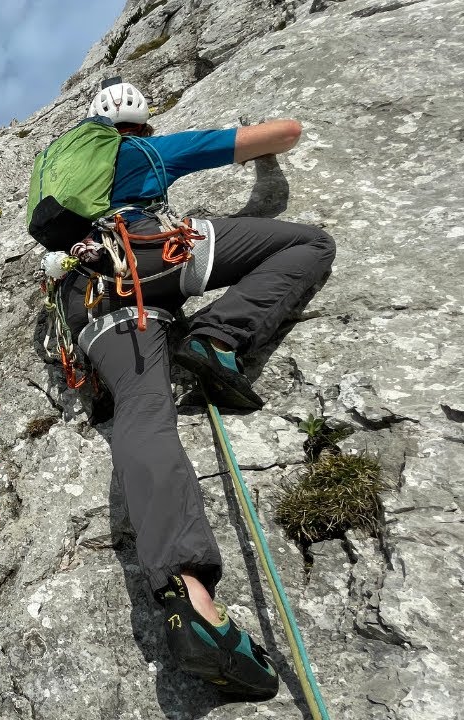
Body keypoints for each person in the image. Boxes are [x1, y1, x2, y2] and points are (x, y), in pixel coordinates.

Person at [62, 79, 336, 699]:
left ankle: (193, 605)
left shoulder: (62, 180)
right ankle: (218, 338)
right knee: (309, 243)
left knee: (142, 417)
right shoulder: (142, 152)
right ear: (137, 125)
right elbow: (282, 133)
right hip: (147, 255)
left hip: (87, 298)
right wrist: (267, 145)